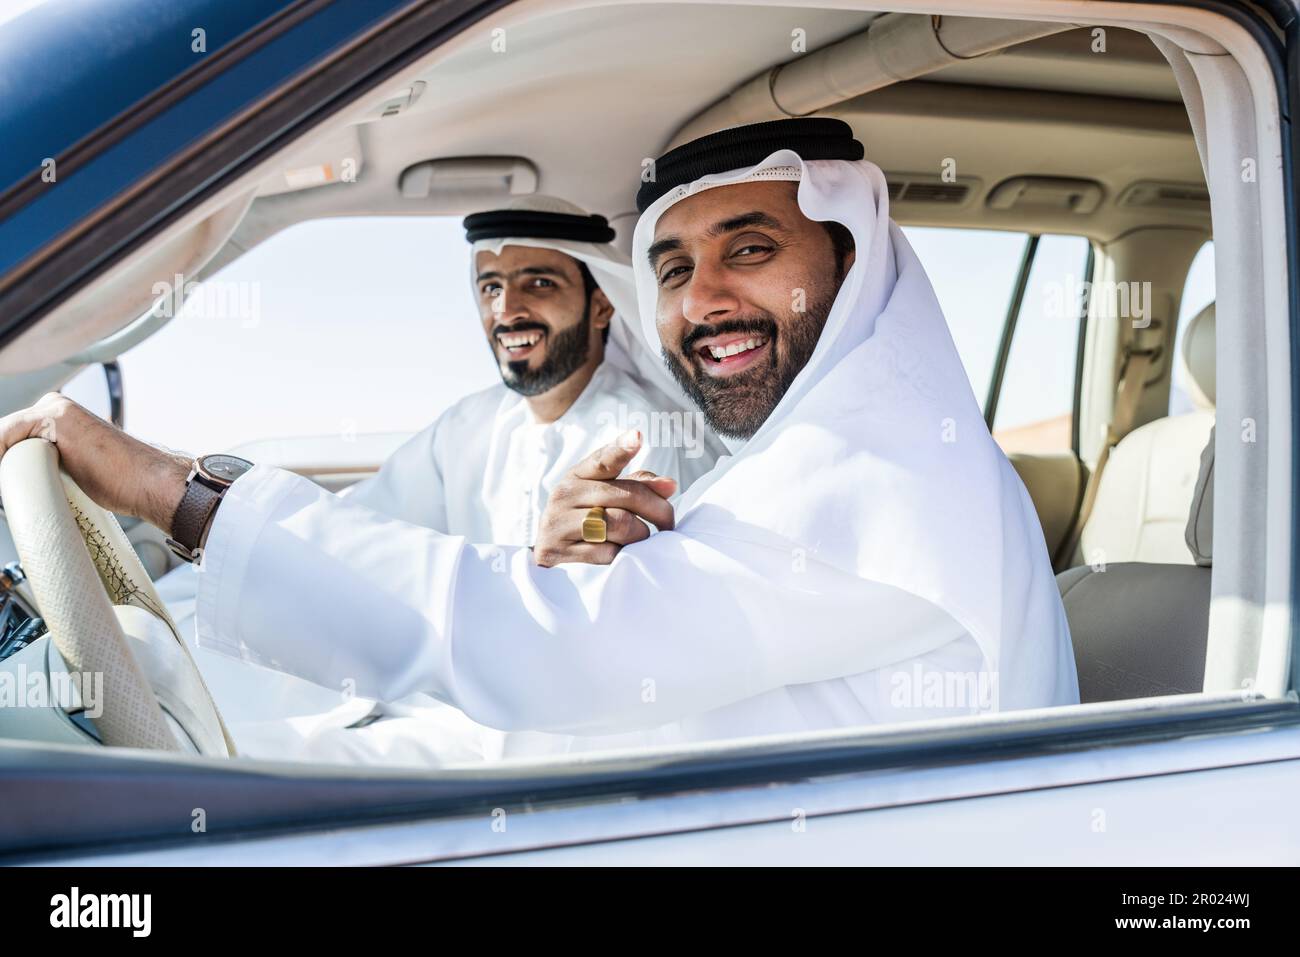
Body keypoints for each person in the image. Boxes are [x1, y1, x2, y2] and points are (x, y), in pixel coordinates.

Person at [1, 118, 1078, 764]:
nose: (703, 299)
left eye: (749, 249)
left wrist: (171, 490)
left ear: (852, 270)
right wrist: (571, 575)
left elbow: (553, 647)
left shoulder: (887, 481)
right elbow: (606, 641)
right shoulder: (819, 459)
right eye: (673, 268)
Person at [343, 195, 721, 543]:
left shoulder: (645, 432)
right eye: (491, 288)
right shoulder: (465, 426)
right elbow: (361, 522)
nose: (506, 311)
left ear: (602, 306)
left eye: (540, 283)